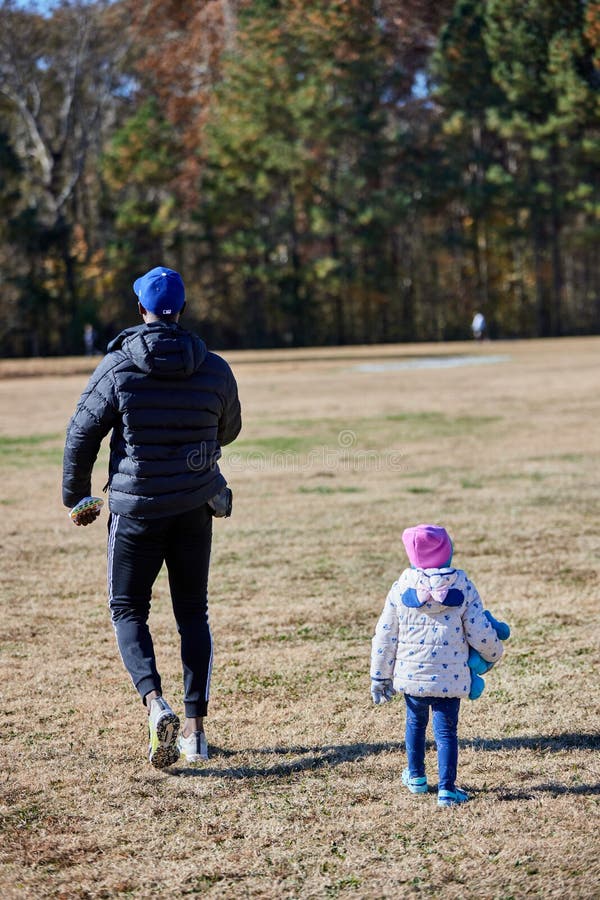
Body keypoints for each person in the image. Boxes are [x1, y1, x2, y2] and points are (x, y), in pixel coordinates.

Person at [63, 266, 242, 769]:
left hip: (135, 509)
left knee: (128, 610)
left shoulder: (118, 366)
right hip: (194, 505)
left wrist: (77, 498)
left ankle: (154, 702)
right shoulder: (214, 367)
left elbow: (81, 434)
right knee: (193, 614)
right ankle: (196, 733)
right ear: (181, 310)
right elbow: (229, 430)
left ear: (141, 309)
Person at [370, 524, 504, 807]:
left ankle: (417, 777)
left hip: (412, 677)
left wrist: (380, 675)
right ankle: (447, 789)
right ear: (448, 552)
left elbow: (385, 634)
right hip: (450, 677)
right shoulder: (462, 584)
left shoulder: (401, 586)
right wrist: (494, 652)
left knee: (415, 724)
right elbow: (478, 628)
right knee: (446, 732)